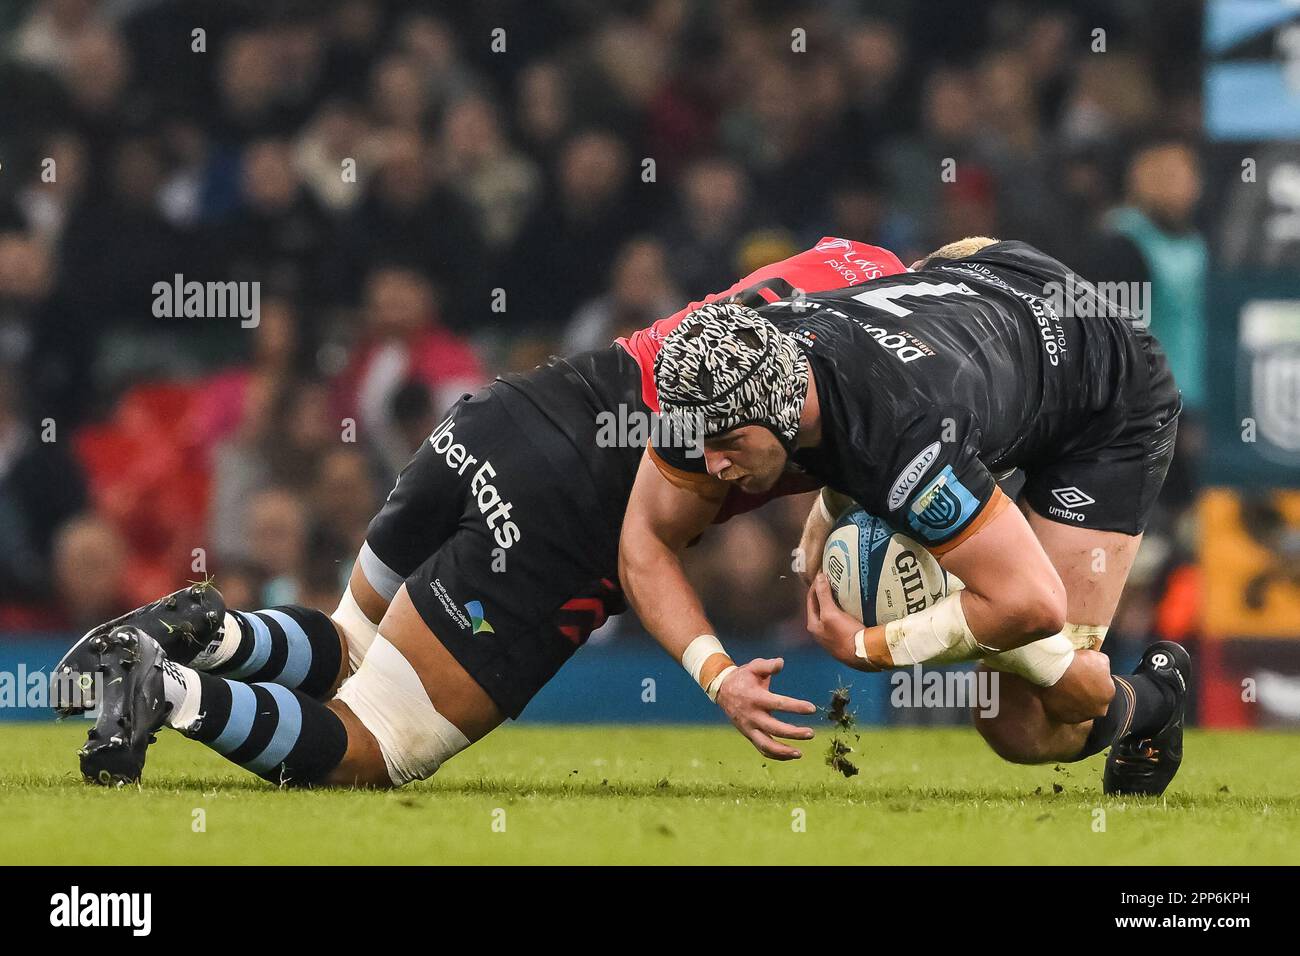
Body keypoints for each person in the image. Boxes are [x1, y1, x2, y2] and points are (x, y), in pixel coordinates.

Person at [56, 238, 908, 788]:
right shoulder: (895, 382)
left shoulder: (850, 257)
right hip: (569, 508)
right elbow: (646, 546)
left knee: (352, 643)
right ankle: (167, 690)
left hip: (507, 411)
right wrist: (720, 674)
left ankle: (212, 634)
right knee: (375, 747)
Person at [621, 237, 1190, 796]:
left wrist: (869, 647)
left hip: (1106, 399)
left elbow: (1033, 605)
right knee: (1010, 721)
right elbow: (644, 540)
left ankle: (1156, 694)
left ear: (781, 407)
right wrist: (721, 676)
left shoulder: (904, 441)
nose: (713, 464)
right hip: (989, 286)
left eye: (727, 441)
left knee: (1053, 712)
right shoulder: (743, 362)